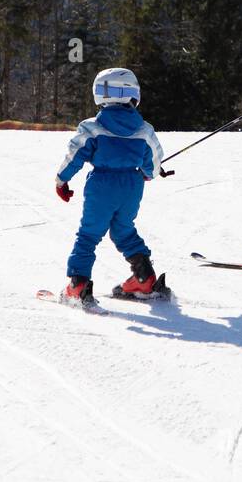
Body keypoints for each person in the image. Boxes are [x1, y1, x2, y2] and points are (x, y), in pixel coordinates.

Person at [55, 67, 170, 307]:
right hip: (132, 185)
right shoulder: (143, 129)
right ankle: (144, 277)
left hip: (102, 185)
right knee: (123, 229)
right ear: (133, 94)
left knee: (89, 234)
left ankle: (77, 284)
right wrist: (148, 174)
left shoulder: (93, 127)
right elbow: (154, 158)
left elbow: (75, 154)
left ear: (101, 94)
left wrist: (62, 180)